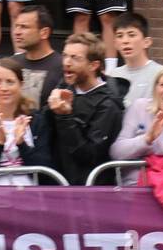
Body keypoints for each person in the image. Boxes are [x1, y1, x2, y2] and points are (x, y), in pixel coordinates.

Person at [46, 33, 126, 185]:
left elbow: (89, 155)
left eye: (75, 58)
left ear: (93, 65)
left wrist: (65, 117)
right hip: (57, 184)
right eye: (65, 56)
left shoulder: (109, 104)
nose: (66, 63)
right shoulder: (62, 88)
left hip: (90, 190)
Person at [0, 59, 54, 185]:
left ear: (21, 84)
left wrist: (21, 144)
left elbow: (45, 166)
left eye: (10, 82)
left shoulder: (35, 118)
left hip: (30, 194)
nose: (4, 88)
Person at [9, 5, 64, 107]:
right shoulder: (11, 64)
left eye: (24, 27)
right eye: (16, 26)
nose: (17, 32)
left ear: (44, 33)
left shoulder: (63, 67)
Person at [108, 12, 163, 110]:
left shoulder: (161, 74)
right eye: (120, 36)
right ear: (115, 44)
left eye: (131, 35)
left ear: (146, 42)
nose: (125, 41)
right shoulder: (113, 75)